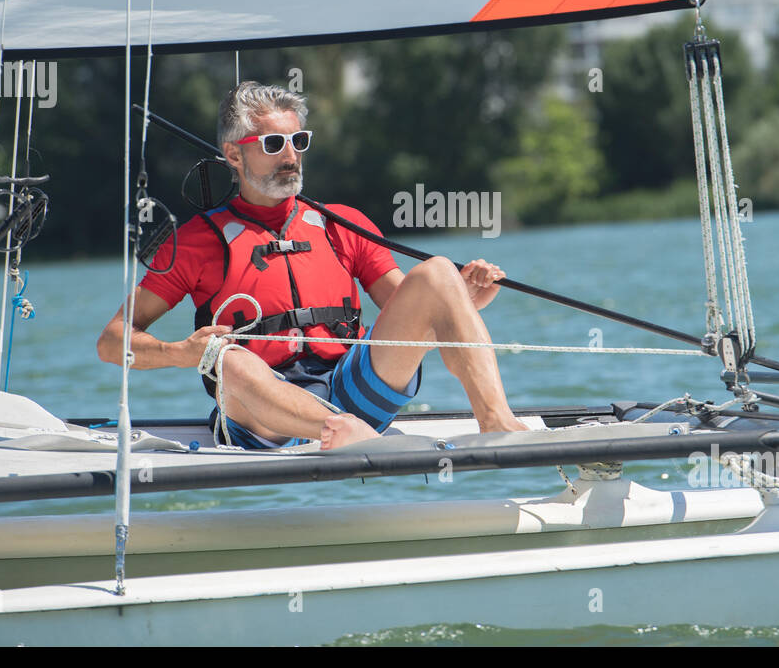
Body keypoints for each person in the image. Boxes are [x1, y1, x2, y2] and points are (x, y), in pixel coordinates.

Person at [97, 80, 527, 450]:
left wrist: (463, 302)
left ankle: (496, 420)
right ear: (233, 155)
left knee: (437, 272)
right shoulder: (197, 241)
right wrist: (181, 353)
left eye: (298, 141)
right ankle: (337, 430)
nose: (290, 156)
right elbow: (112, 341)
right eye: (273, 144)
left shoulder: (342, 223)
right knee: (225, 357)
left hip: (355, 393)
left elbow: (415, 324)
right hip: (266, 420)